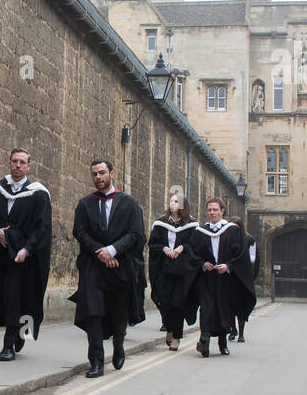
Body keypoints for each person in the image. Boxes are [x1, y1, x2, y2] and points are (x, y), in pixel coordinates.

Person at [69, 157, 145, 377]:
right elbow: (79, 232)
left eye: (102, 173)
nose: (98, 178)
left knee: (118, 313)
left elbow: (135, 233)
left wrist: (112, 250)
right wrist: (100, 252)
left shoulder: (129, 203)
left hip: (120, 266)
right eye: (94, 174)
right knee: (93, 313)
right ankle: (96, 362)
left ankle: (119, 346)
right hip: (93, 266)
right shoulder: (85, 203)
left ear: (112, 173)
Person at [0, 149, 52, 361]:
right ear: (9, 163)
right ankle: (16, 332)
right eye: (14, 161)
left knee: (17, 298)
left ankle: (9, 344)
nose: (18, 165)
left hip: (23, 258)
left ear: (29, 166)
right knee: (1, 296)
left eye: (22, 162)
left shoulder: (39, 194)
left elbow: (41, 227)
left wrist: (27, 249)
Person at [191, 198, 244, 357]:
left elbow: (241, 255)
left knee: (223, 309)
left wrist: (228, 266)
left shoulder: (232, 231)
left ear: (222, 211)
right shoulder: (200, 231)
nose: (212, 213)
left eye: (215, 210)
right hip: (207, 278)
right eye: (209, 210)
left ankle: (223, 343)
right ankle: (204, 341)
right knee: (206, 309)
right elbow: (192, 253)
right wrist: (202, 264)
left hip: (225, 278)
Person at [147, 193, 199, 351]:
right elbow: (153, 244)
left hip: (182, 271)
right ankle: (169, 328)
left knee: (178, 304)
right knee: (164, 302)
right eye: (171, 201)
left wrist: (181, 248)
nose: (173, 204)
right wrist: (165, 249)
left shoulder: (191, 224)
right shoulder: (161, 223)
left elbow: (195, 245)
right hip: (164, 269)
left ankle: (176, 337)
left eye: (176, 201)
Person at [226, 216, 258, 342]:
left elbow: (253, 258)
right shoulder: (226, 239)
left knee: (241, 306)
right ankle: (233, 329)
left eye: (236, 227)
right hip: (229, 276)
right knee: (229, 306)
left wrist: (238, 259)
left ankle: (241, 333)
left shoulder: (249, 239)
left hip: (243, 277)